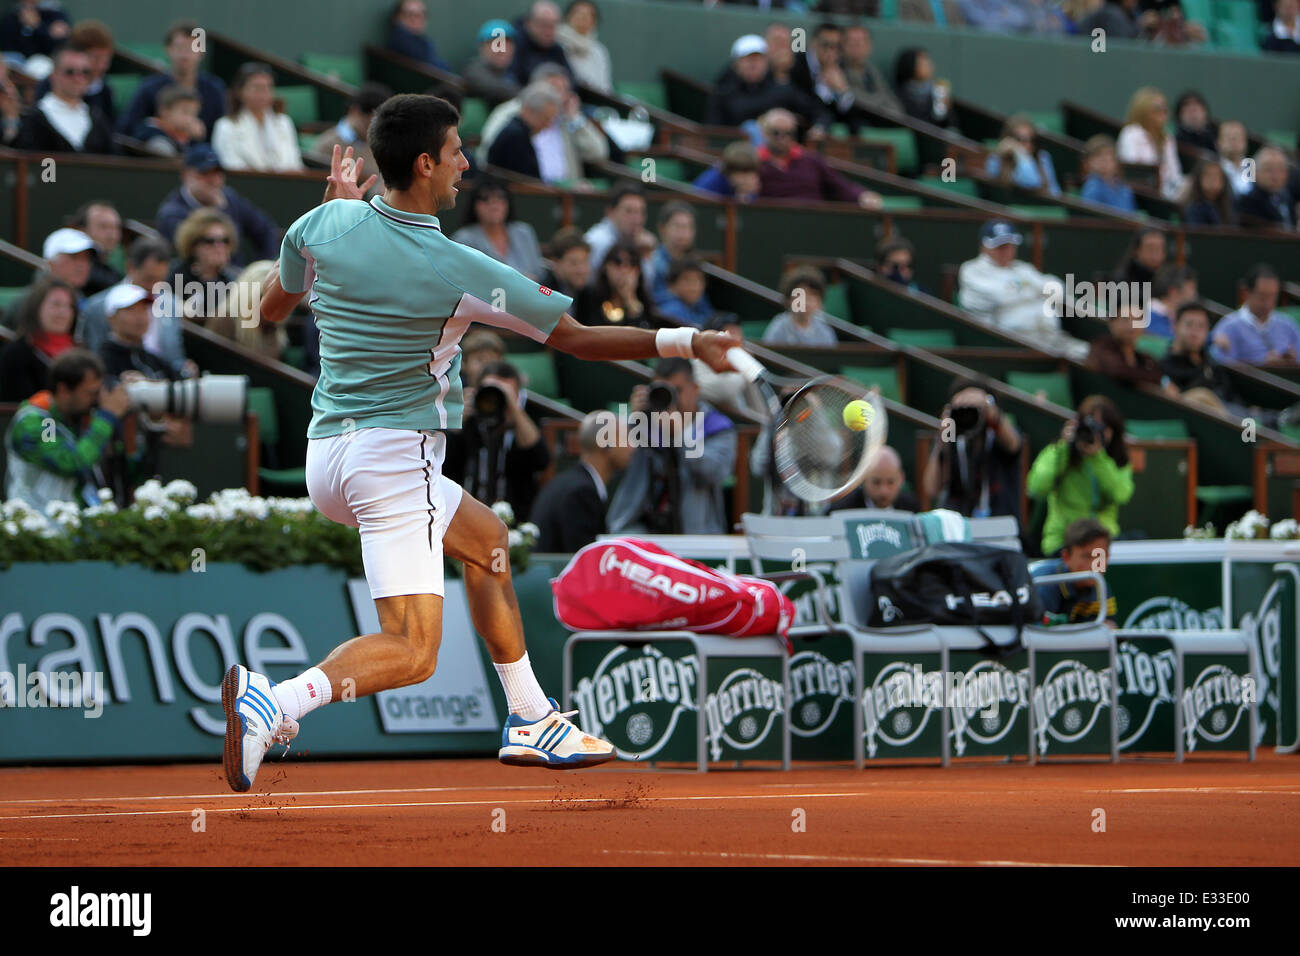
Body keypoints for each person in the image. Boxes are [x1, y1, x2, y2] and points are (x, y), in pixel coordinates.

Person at [240, 98, 738, 787]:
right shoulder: (459, 266)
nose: (465, 164)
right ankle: (276, 700)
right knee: (414, 652)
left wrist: (336, 214)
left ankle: (531, 717)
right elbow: (578, 340)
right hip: (392, 458)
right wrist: (686, 340)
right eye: (455, 152)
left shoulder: (323, 221)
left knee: (490, 544)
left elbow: (271, 310)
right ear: (423, 164)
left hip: (327, 456)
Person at [607, 357, 737, 535]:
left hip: (697, 538)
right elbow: (614, 466)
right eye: (663, 391)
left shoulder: (718, 427)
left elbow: (712, 472)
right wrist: (633, 422)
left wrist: (679, 436)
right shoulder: (645, 425)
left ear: (695, 389)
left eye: (677, 391)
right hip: (643, 533)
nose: (670, 400)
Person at [2, 349, 131, 512]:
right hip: (35, 523)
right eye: (90, 393)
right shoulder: (39, 421)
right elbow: (71, 462)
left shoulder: (77, 417)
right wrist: (107, 418)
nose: (95, 400)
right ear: (63, 389)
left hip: (71, 523)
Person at [957, 220, 1088, 360]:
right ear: (984, 247)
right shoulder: (972, 270)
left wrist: (1025, 290)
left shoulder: (1022, 268)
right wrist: (1033, 291)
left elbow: (1058, 289)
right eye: (1000, 246)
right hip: (1012, 343)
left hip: (1051, 337)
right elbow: (1000, 296)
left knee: (1090, 354)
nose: (1006, 251)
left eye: (1010, 245)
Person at [444, 360, 550, 522]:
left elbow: (540, 459)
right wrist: (458, 419)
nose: (495, 400)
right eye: (490, 394)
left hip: (513, 525)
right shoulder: (468, 425)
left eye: (505, 394)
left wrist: (513, 408)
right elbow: (441, 462)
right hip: (463, 521)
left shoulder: (521, 427)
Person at [1027, 394, 1132, 556]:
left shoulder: (1115, 460)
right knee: (1084, 568)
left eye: (1101, 428)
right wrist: (1064, 447)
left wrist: (1097, 457)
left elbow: (1120, 494)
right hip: (1064, 544)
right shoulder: (1059, 452)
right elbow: (1036, 488)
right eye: (1090, 427)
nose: (1095, 434)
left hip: (1102, 545)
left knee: (1105, 563)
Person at [480, 64, 608, 185]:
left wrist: (575, 119)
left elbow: (598, 153)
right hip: (525, 189)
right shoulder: (511, 113)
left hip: (566, 193)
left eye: (564, 91)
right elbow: (487, 153)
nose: (559, 96)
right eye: (553, 89)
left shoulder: (567, 118)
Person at [155, 144, 281, 264]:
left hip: (236, 279)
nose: (213, 180)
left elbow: (265, 229)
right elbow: (200, 257)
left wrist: (259, 269)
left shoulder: (230, 198)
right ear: (186, 175)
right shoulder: (173, 212)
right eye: (204, 173)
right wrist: (220, 210)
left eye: (217, 173)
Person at [529, 409, 630, 552]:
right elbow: (583, 562)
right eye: (627, 439)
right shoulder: (581, 493)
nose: (633, 447)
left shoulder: (567, 484)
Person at [922, 377, 1023, 518]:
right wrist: (945, 434)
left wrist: (989, 409)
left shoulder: (997, 436)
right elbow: (931, 489)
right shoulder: (951, 438)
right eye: (962, 411)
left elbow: (1014, 444)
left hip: (1000, 524)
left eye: (975, 410)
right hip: (960, 527)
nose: (968, 415)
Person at [77, 237, 182, 373]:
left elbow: (175, 357)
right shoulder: (96, 306)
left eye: (160, 280)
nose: (154, 287)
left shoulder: (171, 303)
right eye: (149, 278)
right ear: (130, 268)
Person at [117, 19, 227, 141]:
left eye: (192, 48)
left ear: (201, 52)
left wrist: (201, 134)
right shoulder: (149, 87)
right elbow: (127, 128)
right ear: (168, 49)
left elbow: (222, 134)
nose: (185, 54)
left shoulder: (214, 89)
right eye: (179, 47)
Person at [756, 108, 883, 208]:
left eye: (789, 133)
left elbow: (840, 186)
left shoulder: (812, 160)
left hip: (813, 220)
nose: (782, 138)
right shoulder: (755, 162)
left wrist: (862, 196)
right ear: (764, 133)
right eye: (776, 133)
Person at [706, 34, 818, 131]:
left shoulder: (782, 89)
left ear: (766, 63)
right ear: (736, 64)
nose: (754, 65)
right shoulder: (723, 93)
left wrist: (819, 127)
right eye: (748, 59)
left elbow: (816, 111)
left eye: (758, 59)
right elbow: (713, 130)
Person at [16, 45, 114, 154]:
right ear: (54, 75)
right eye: (70, 72)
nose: (78, 78)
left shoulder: (98, 119)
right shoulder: (34, 119)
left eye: (85, 72)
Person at [210, 63, 302, 173]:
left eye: (268, 88)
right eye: (257, 88)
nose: (263, 94)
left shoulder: (284, 122)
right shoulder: (225, 126)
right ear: (240, 91)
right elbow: (231, 165)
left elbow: (296, 164)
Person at [0, 276, 78, 402]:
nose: (63, 312)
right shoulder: (16, 353)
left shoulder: (81, 353)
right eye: (56, 304)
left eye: (69, 306)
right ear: (37, 307)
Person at [452, 178, 545, 280]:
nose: (494, 205)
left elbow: (538, 273)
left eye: (500, 198)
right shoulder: (463, 239)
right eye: (485, 199)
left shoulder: (523, 232)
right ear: (474, 206)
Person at [1031, 518, 1117, 627]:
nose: (1094, 565)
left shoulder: (1101, 586)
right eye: (1087, 556)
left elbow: (1110, 628)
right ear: (1066, 557)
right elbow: (1034, 634)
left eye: (1100, 556)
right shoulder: (1044, 583)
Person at [308, 82, 392, 194]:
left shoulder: (380, 143)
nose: (373, 130)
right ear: (355, 111)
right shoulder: (327, 145)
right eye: (368, 124)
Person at [1211, 264, 1300, 365]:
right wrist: (1264, 364)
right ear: (1246, 293)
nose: (1268, 303)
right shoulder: (1228, 327)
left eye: (1273, 296)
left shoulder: (1288, 325)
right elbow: (1225, 370)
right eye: (1262, 296)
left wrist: (1293, 363)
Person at [31, 19, 115, 123]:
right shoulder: (49, 86)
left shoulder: (104, 90)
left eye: (106, 60)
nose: (102, 66)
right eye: (96, 58)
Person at [170, 208, 243, 324]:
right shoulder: (177, 275)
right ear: (193, 245)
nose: (219, 247)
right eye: (210, 241)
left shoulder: (235, 279)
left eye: (225, 240)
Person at [1116, 87, 1184, 201]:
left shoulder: (1167, 138)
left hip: (1167, 192)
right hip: (1140, 193)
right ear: (1143, 111)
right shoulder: (1131, 133)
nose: (1163, 113)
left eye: (1165, 109)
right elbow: (1133, 170)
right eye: (1157, 109)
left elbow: (1175, 174)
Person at [1086, 304, 1176, 388]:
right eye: (1125, 320)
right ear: (1112, 323)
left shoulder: (1144, 358)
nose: (1131, 326)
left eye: (1137, 319)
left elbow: (1159, 373)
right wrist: (1160, 380)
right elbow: (1119, 370)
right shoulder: (1101, 346)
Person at [572, 241, 658, 329]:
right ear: (606, 267)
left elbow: (645, 334)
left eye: (632, 264)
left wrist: (631, 302)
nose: (625, 270)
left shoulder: (644, 301)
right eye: (618, 262)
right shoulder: (588, 297)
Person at [789, 22, 857, 132]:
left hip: (828, 130)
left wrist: (842, 90)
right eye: (826, 44)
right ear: (814, 43)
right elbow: (799, 101)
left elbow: (850, 114)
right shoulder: (796, 64)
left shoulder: (842, 68)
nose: (831, 51)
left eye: (836, 46)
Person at [485, 81, 560, 179]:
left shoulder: (519, 132)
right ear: (529, 111)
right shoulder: (515, 137)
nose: (547, 126)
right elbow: (529, 180)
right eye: (545, 119)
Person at [582, 183, 653, 279]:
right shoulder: (599, 242)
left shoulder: (642, 242)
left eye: (641, 212)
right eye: (629, 211)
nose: (637, 219)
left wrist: (646, 256)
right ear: (610, 212)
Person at [829, 445, 922, 513]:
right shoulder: (843, 510)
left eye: (890, 482)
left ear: (901, 478)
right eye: (876, 482)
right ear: (863, 479)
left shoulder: (911, 508)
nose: (884, 491)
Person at [985, 113, 1061, 195]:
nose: (1028, 144)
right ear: (1009, 140)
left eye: (1032, 139)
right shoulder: (997, 158)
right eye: (1021, 139)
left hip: (1044, 206)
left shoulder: (1042, 157)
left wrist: (1022, 156)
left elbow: (1052, 191)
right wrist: (1019, 154)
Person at [763, 265, 838, 346]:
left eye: (812, 295)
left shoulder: (825, 329)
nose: (806, 301)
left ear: (820, 302)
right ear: (789, 300)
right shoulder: (778, 327)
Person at [65, 200, 123, 295]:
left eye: (115, 227)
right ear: (82, 230)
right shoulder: (74, 272)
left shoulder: (114, 272)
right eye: (103, 227)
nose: (111, 233)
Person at [841, 24, 902, 115]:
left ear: (869, 45)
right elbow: (856, 103)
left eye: (862, 42)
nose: (857, 46)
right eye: (852, 42)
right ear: (842, 45)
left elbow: (896, 109)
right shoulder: (838, 71)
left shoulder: (872, 71)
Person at [510, 1, 574, 86]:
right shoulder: (512, 44)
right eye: (544, 25)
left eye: (553, 26)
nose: (548, 32)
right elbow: (508, 80)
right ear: (528, 23)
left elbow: (572, 80)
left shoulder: (557, 49)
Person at [647, 200, 699, 301]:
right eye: (678, 226)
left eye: (689, 227)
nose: (684, 233)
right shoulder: (653, 263)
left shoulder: (695, 262)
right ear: (662, 229)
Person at [463, 19, 521, 107]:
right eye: (496, 44)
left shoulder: (511, 73)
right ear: (482, 48)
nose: (502, 50)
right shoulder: (475, 71)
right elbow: (497, 90)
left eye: (507, 44)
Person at [556, 0, 611, 93]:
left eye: (589, 14)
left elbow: (605, 86)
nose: (583, 17)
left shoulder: (599, 51)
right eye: (579, 12)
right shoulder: (557, 44)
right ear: (568, 16)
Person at [0, 0, 69, 75]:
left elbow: (57, 45)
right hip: (14, 63)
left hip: (43, 63)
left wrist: (37, 26)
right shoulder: (12, 15)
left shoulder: (55, 15)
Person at [1235, 146, 1297, 230]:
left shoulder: (1288, 199)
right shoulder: (1247, 203)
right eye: (1268, 169)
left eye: (1280, 169)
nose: (1275, 176)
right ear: (1255, 172)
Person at [133, 85, 204, 157]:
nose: (190, 119)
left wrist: (196, 139)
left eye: (194, 114)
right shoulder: (150, 130)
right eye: (185, 112)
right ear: (165, 111)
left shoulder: (185, 137)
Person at [386, 0, 452, 72]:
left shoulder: (424, 42)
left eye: (421, 14)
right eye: (409, 14)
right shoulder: (400, 39)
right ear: (396, 17)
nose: (415, 19)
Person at [893, 48, 951, 127]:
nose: (929, 65)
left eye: (928, 61)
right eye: (923, 62)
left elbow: (946, 123)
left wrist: (944, 109)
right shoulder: (901, 95)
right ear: (910, 65)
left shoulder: (937, 91)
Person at [1079, 134, 1137, 212]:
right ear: (1088, 162)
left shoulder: (1124, 188)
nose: (1106, 161)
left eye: (1110, 156)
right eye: (1099, 156)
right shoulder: (1092, 186)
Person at [692, 140, 761, 201]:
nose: (747, 179)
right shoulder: (710, 183)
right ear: (729, 171)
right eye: (743, 173)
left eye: (750, 173)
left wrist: (744, 195)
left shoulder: (749, 185)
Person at [656, 258, 714, 328]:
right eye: (687, 280)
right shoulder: (671, 312)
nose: (694, 287)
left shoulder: (701, 305)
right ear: (671, 285)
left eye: (698, 280)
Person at [1144, 264, 1197, 340]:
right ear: (1174, 292)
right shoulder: (1148, 315)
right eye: (1192, 289)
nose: (1194, 295)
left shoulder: (1173, 316)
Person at [1182, 158, 1237, 226]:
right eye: (1208, 176)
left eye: (1217, 176)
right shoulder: (1194, 209)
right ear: (1198, 179)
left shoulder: (1229, 207)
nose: (1213, 181)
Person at [538, 226, 590, 298]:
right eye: (574, 263)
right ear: (556, 262)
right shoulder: (543, 294)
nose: (581, 270)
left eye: (585, 261)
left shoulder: (589, 295)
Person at [1173, 90, 1216, 171]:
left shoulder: (1217, 136)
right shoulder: (1174, 143)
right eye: (1186, 107)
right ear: (1179, 115)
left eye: (1197, 107)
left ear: (1205, 112)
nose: (1193, 111)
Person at [1216, 119, 1253, 196]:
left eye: (1238, 136)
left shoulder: (1254, 168)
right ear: (1218, 142)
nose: (1234, 140)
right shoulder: (1213, 168)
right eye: (1228, 137)